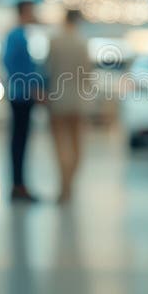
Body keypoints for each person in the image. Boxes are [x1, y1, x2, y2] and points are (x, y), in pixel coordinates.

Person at [44, 10, 91, 203]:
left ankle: (63, 186)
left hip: (57, 98)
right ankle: (69, 185)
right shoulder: (82, 43)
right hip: (78, 101)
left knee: (59, 146)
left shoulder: (54, 42)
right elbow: (87, 75)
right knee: (76, 146)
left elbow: (48, 69)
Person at [2, 0, 43, 202]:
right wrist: (32, 87)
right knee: (20, 141)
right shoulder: (17, 36)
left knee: (20, 141)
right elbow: (15, 66)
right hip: (21, 97)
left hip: (20, 95)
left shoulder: (19, 35)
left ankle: (19, 184)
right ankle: (18, 185)